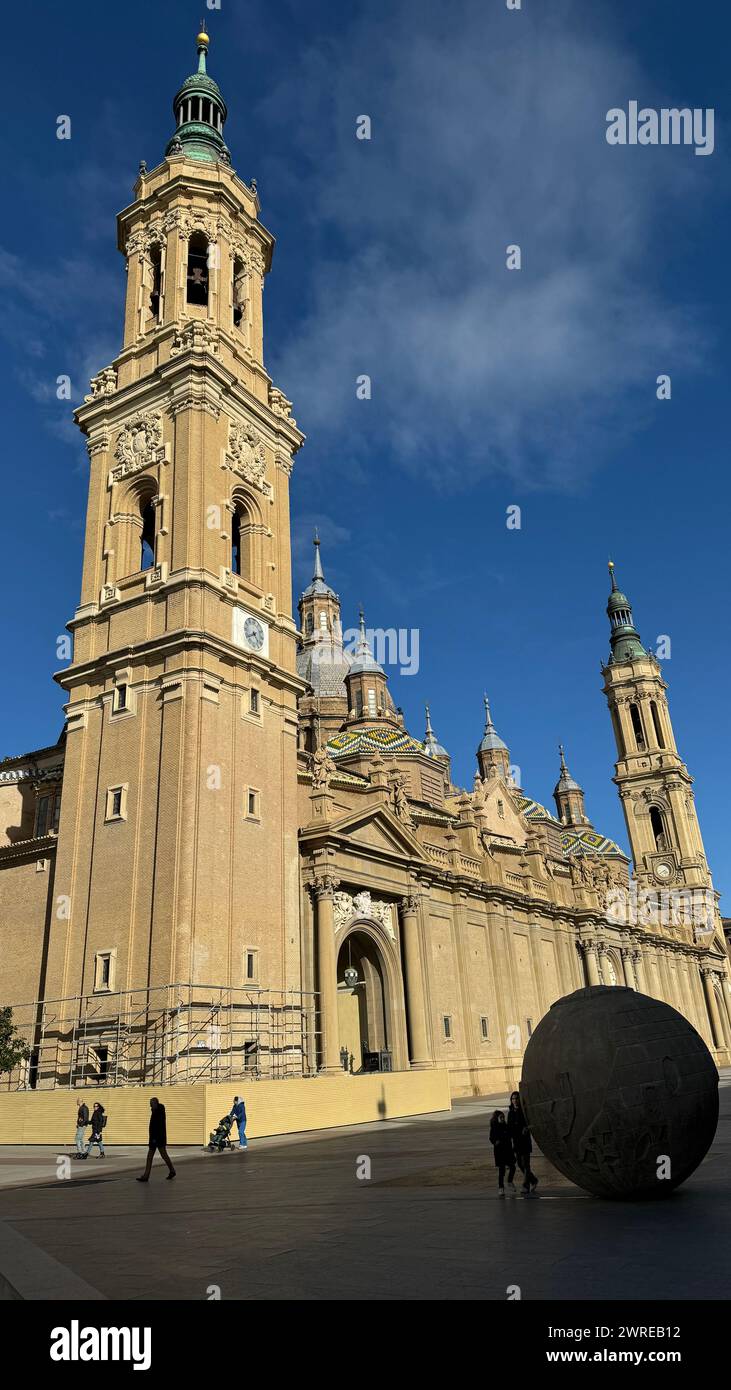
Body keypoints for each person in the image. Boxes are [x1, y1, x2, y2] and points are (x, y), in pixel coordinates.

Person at [137, 1097, 176, 1181]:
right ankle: (171, 1170)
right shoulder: (158, 1111)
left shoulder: (158, 1113)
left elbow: (157, 1126)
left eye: (151, 1104)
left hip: (157, 1138)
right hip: (158, 1138)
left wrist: (154, 1138)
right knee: (163, 1155)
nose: (150, 1106)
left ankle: (146, 1176)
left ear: (155, 1103)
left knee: (152, 1156)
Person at [507, 1090, 538, 1193]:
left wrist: (527, 1128)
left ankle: (526, 1185)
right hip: (516, 1141)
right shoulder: (511, 1113)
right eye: (513, 1099)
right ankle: (533, 1180)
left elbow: (532, 1123)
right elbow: (509, 1127)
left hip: (524, 1140)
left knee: (526, 1163)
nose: (515, 1101)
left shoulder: (524, 1111)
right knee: (520, 1164)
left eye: (516, 1098)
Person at [489, 1109, 516, 1194]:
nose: (502, 1119)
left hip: (508, 1150)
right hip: (500, 1151)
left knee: (513, 1167)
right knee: (502, 1170)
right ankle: (501, 1187)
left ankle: (509, 1181)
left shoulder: (506, 1126)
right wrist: (495, 1142)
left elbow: (510, 1134)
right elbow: (491, 1138)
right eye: (501, 1117)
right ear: (496, 1118)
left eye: (503, 1117)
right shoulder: (494, 1128)